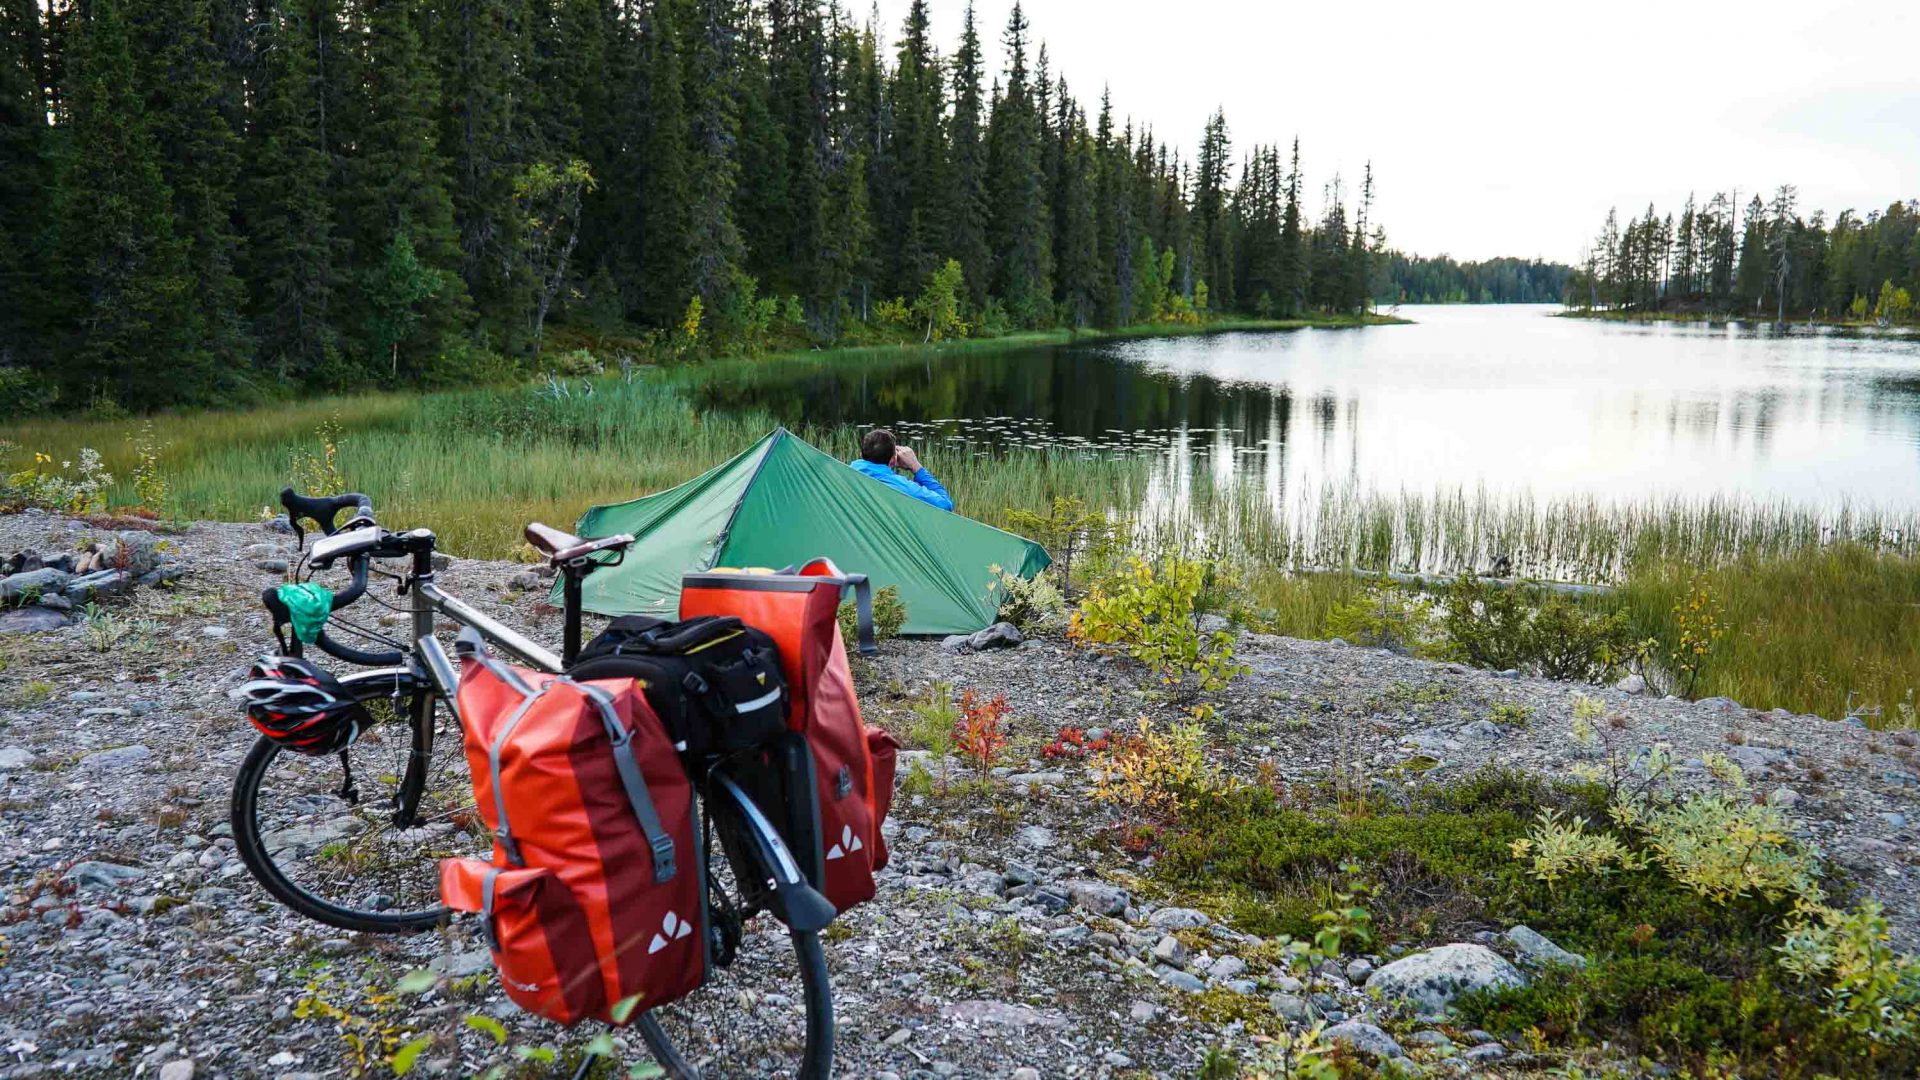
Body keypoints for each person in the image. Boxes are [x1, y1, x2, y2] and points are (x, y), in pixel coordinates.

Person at [848, 428, 954, 511]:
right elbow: (945, 505)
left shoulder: (844, 472)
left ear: (861, 454)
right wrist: (916, 467)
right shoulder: (901, 486)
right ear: (893, 460)